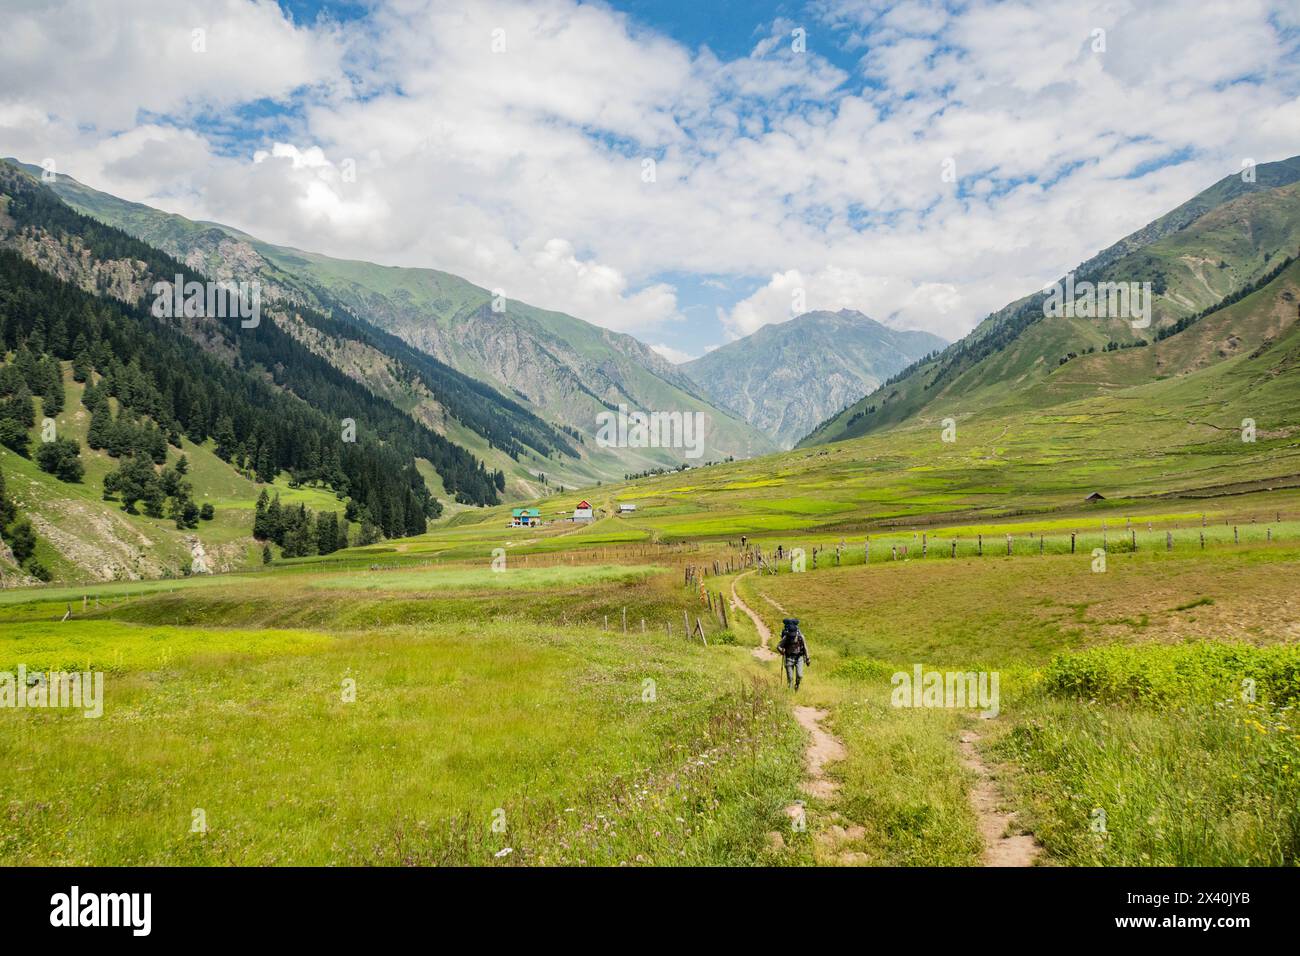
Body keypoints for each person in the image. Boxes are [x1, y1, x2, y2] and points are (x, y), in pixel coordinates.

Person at [775, 618, 810, 690]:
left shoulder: (801, 637)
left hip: (799, 658)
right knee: (790, 678)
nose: (792, 637)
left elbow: (805, 647)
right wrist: (782, 651)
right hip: (789, 658)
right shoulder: (786, 637)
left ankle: (797, 685)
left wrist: (807, 658)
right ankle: (790, 693)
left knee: (799, 675)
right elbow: (778, 646)